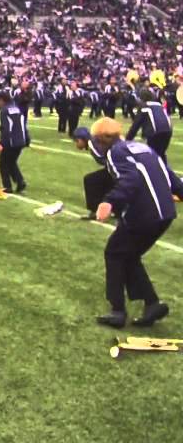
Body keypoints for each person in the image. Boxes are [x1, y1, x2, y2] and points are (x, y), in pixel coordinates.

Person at [89, 117, 179, 329]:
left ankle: (117, 310)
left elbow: (131, 179)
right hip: (165, 213)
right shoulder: (143, 147)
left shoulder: (115, 153)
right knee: (129, 254)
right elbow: (169, 176)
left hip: (143, 214)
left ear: (102, 141)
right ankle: (152, 303)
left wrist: (109, 201)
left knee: (114, 252)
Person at [0, 91, 30, 193]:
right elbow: (23, 125)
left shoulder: (3, 111)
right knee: (11, 162)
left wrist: (2, 143)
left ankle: (8, 186)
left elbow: (5, 128)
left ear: (2, 100)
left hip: (10, 141)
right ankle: (20, 182)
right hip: (20, 141)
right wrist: (27, 139)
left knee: (3, 164)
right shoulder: (16, 109)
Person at [126, 91, 172, 163]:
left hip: (155, 131)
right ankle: (166, 172)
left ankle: (157, 172)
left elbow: (136, 125)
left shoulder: (144, 107)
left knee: (153, 156)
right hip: (168, 130)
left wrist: (127, 140)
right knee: (161, 154)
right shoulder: (159, 105)